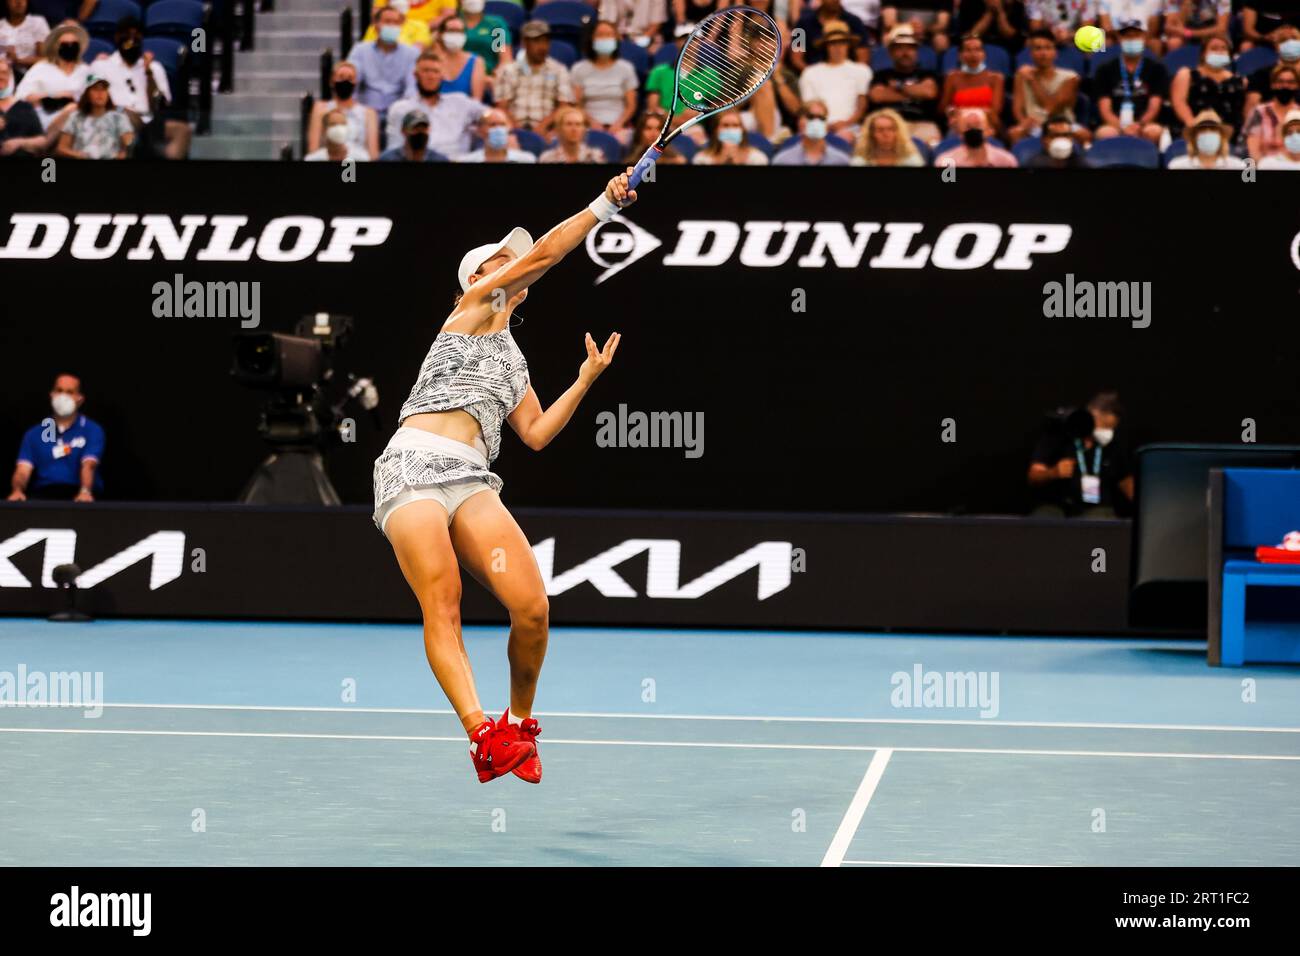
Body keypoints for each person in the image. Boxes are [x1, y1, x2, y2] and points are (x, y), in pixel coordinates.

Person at [371, 167, 633, 784]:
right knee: (444, 601)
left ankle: (517, 724)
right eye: (498, 260)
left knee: (532, 607)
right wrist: (604, 204)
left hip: (470, 477)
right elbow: (545, 252)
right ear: (479, 279)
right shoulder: (467, 309)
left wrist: (584, 381)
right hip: (410, 466)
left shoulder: (511, 357)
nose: (512, 264)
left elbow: (536, 434)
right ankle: (481, 734)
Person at [97, 16, 191, 159]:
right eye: (127, 36)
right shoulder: (102, 66)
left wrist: (148, 73)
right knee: (126, 118)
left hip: (148, 122)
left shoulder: (154, 67)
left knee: (183, 131)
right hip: (113, 119)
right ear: (117, 38)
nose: (131, 40)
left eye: (136, 36)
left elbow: (161, 104)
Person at [1028, 392, 1132, 519]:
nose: (1106, 433)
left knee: (1099, 518)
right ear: (1089, 417)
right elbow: (1033, 476)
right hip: (1056, 506)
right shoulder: (1058, 436)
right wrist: (1053, 472)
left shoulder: (1112, 446)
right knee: (1044, 518)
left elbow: (1127, 483)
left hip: (1095, 509)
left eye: (1110, 429)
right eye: (1103, 427)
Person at [8, 374, 104, 502]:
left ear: (79, 399)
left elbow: (89, 465)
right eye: (59, 390)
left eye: (70, 392)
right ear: (52, 394)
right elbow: (23, 470)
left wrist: (85, 491)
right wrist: (17, 491)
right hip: (44, 496)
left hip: (79, 495)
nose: (63, 396)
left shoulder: (92, 429)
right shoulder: (34, 434)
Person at [386, 51, 488, 156]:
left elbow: (490, 114)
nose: (431, 76)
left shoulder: (461, 103)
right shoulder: (401, 108)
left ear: (442, 76)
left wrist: (488, 124)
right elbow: (395, 148)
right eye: (426, 71)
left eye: (436, 71)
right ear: (415, 75)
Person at [1091, 19, 1167, 144]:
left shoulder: (1156, 68)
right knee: (1106, 133)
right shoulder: (1105, 69)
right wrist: (1122, 127)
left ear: (1145, 38)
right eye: (1127, 36)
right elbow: (1105, 108)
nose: (1132, 40)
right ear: (1119, 39)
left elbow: (1154, 105)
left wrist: (1139, 125)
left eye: (1136, 35)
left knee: (1154, 131)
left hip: (1145, 123)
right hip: (1114, 123)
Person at [494, 20, 574, 134]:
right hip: (513, 129)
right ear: (524, 43)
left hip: (548, 130)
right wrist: (517, 131)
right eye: (536, 41)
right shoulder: (508, 71)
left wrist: (542, 128)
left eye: (546, 41)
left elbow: (564, 107)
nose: (542, 46)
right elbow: (502, 107)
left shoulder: (559, 70)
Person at [868, 25, 942, 144]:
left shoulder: (928, 74)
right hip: (888, 124)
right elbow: (877, 95)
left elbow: (929, 92)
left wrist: (897, 87)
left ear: (916, 52)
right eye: (899, 48)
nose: (905, 53)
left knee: (934, 144)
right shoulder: (881, 75)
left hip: (921, 124)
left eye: (910, 48)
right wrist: (914, 93)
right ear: (891, 52)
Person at [798, 20, 871, 134]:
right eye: (833, 43)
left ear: (848, 45)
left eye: (842, 42)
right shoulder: (810, 73)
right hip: (817, 125)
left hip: (851, 128)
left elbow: (861, 105)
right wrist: (823, 124)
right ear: (826, 46)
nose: (838, 47)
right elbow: (809, 106)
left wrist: (846, 124)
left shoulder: (862, 71)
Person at [1009, 27, 1081, 143]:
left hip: (1063, 124)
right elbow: (1017, 107)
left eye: (1048, 48)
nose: (1043, 53)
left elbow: (1050, 107)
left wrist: (1032, 81)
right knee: (1015, 133)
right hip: (1033, 125)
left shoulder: (1070, 77)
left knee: (1084, 135)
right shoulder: (1021, 76)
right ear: (1031, 53)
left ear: (1055, 53)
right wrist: (1023, 122)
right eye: (1038, 48)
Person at [1168, 34, 1245, 141]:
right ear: (1203, 54)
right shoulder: (1187, 74)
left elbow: (1244, 110)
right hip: (1193, 130)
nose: (1219, 52)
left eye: (1224, 48)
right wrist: (1193, 126)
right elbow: (1179, 102)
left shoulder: (1240, 81)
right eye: (1214, 48)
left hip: (1230, 135)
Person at [14, 21, 88, 130]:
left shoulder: (86, 70)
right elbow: (21, 96)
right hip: (47, 119)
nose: (70, 47)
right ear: (56, 46)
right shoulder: (41, 68)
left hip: (81, 121)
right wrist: (52, 96)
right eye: (65, 44)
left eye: (74, 44)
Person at [571, 21, 638, 142]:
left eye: (609, 34)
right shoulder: (579, 69)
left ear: (616, 39)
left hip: (619, 126)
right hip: (586, 125)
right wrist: (591, 123)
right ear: (592, 39)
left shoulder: (626, 68)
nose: (604, 38)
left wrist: (618, 124)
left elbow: (631, 105)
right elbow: (577, 104)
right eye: (600, 34)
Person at [350, 5, 421, 116]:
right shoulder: (360, 50)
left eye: (396, 22)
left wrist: (404, 111)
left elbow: (411, 88)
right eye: (387, 22)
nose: (392, 26)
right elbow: (352, 82)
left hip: (398, 113)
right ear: (376, 25)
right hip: (366, 112)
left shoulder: (412, 53)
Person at [307, 61, 380, 158]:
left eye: (350, 78)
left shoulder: (369, 113)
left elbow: (373, 155)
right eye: (341, 77)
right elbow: (313, 149)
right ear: (332, 81)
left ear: (355, 83)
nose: (345, 81)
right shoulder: (321, 108)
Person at [940, 33, 1005, 135]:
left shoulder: (996, 78)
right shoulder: (952, 77)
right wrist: (951, 111)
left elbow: (995, 111)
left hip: (987, 125)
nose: (973, 54)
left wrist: (970, 114)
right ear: (960, 55)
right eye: (968, 50)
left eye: (977, 50)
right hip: (958, 125)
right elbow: (943, 108)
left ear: (984, 54)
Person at [55, 73, 131, 158]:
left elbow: (129, 146)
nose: (100, 93)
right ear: (86, 93)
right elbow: (61, 148)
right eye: (95, 89)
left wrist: (122, 154)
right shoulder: (75, 118)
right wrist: (79, 155)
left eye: (104, 89)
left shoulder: (119, 118)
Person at [792, 0, 873, 69]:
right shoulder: (801, 24)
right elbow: (796, 59)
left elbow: (863, 58)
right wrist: (813, 75)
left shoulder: (855, 22)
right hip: (814, 74)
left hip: (848, 76)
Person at [1245, 63, 1299, 161]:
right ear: (1272, 84)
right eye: (1280, 81)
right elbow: (1253, 151)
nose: (1285, 86)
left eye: (1290, 82)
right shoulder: (1259, 112)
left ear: (1297, 85)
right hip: (1265, 170)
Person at [773, 100, 853, 164]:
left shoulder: (841, 149)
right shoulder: (786, 151)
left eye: (821, 118)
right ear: (800, 121)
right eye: (811, 117)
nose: (816, 122)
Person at [933, 106, 1018, 165]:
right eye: (968, 126)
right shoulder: (948, 162)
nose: (973, 130)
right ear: (960, 133)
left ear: (989, 131)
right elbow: (947, 188)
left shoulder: (1005, 161)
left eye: (977, 125)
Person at [1167, 108, 1246, 167]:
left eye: (1213, 129)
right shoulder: (1178, 166)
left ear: (1221, 137)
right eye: (1202, 130)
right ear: (1194, 137)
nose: (1208, 132)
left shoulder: (1237, 166)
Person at [0, 56, 45, 157]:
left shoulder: (24, 107)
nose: (1, 77)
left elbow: (42, 141)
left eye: (4, 73)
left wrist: (20, 142)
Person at [434, 15, 486, 100]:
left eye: (459, 31)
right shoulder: (432, 61)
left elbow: (476, 100)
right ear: (440, 34)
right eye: (451, 31)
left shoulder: (476, 62)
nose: (455, 35)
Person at [851, 106, 926, 164]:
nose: (886, 134)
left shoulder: (912, 161)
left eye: (891, 129)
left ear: (898, 132)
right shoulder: (860, 162)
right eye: (880, 130)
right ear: (871, 134)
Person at [457, 107, 536, 161]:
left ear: (509, 129)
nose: (498, 129)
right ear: (480, 131)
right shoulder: (467, 160)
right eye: (492, 125)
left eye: (502, 125)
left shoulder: (526, 159)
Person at [691, 110, 770, 164]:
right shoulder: (702, 160)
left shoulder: (757, 159)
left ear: (742, 130)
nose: (730, 129)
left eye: (735, 125)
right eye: (725, 125)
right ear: (716, 130)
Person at [459, 0, 513, 76]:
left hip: (490, 77)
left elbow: (505, 60)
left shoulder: (495, 24)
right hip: (457, 76)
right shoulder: (453, 23)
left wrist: (496, 77)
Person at [0, 0, 49, 78]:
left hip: (31, 75)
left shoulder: (37, 22)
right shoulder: (1, 25)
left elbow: (45, 58)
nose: (19, 2)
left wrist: (19, 61)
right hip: (3, 74)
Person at [539, 105, 606, 162]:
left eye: (578, 124)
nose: (574, 129)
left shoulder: (596, 157)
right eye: (569, 124)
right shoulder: (547, 159)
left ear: (584, 129)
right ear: (559, 129)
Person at [621, 108, 687, 164]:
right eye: (648, 128)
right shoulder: (627, 153)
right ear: (640, 131)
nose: (653, 133)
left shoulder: (676, 159)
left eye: (658, 129)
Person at [881, 2, 952, 53]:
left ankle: (935, 72)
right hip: (901, 32)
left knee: (941, 40)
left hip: (928, 33)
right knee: (887, 37)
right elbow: (889, 22)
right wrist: (909, 28)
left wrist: (923, 28)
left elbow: (942, 24)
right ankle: (887, 71)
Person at [1163, 0, 1231, 53]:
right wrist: (1185, 6)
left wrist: (1190, 33)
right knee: (1174, 42)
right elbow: (1169, 26)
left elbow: (1221, 28)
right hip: (1188, 32)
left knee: (1218, 39)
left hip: (1210, 32)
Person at [1023, 111, 1090, 165]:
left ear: (1071, 139)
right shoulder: (1033, 164)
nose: (1061, 140)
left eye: (1065, 135)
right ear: (1044, 140)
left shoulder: (1082, 164)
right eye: (1055, 136)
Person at [378, 110, 450, 160]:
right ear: (403, 131)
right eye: (415, 128)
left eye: (423, 128)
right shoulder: (388, 158)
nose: (420, 132)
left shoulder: (439, 159)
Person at [305, 109, 372, 161]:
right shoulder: (312, 159)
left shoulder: (361, 158)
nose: (339, 128)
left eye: (343, 124)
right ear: (324, 130)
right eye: (333, 124)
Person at [599, 0, 668, 51]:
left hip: (648, 38)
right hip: (618, 37)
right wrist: (622, 44)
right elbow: (608, 23)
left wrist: (639, 43)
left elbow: (656, 22)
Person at [362, 0, 435, 46]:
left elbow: (419, 49)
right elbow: (366, 49)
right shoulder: (374, 27)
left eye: (395, 22)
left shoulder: (420, 26)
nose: (391, 24)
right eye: (388, 21)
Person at [1027, 0, 1098, 47]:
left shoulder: (1086, 1)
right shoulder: (1037, 1)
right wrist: (1050, 34)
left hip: (1074, 39)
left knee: (1091, 40)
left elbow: (1087, 29)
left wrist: (1070, 35)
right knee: (1030, 42)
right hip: (1047, 37)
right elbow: (1035, 28)